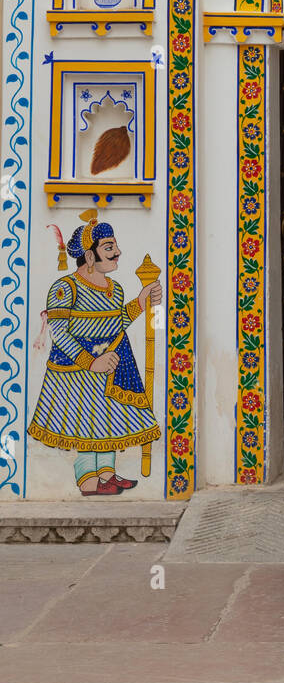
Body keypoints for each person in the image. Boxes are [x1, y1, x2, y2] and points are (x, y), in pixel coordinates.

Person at [27, 210, 162, 496]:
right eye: (109, 247)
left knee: (108, 423)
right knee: (86, 428)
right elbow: (60, 333)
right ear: (90, 256)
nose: (118, 252)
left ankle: (108, 475)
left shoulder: (114, 288)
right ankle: (89, 482)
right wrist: (91, 362)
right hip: (75, 374)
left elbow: (116, 322)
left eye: (115, 246)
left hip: (108, 368)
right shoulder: (65, 289)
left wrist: (140, 302)